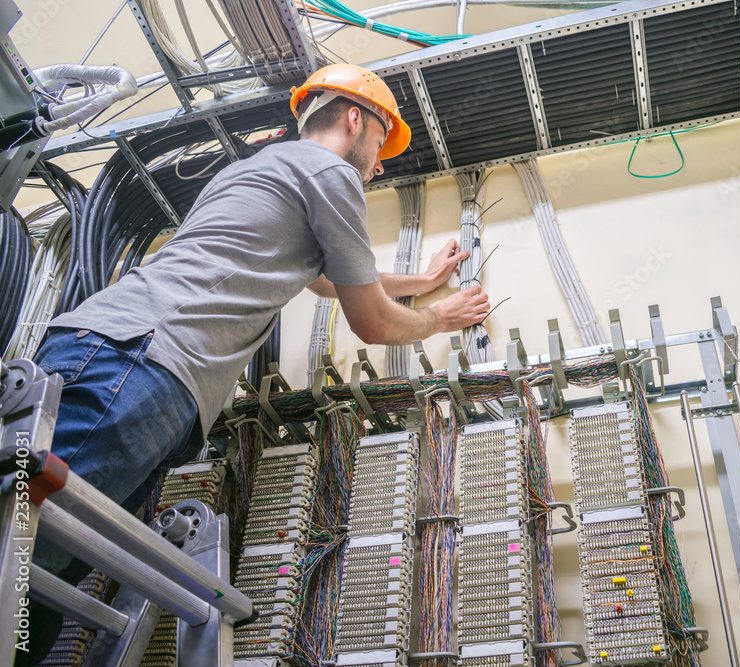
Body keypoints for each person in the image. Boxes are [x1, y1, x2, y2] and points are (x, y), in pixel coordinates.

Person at [21, 63, 488, 661]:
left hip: (127, 355)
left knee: (42, 576)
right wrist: (439, 318)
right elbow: (371, 322)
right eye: (380, 143)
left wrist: (420, 281)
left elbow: (324, 280)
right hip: (142, 357)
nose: (378, 165)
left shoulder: (257, 170)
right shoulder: (330, 173)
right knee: (24, 537)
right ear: (354, 119)